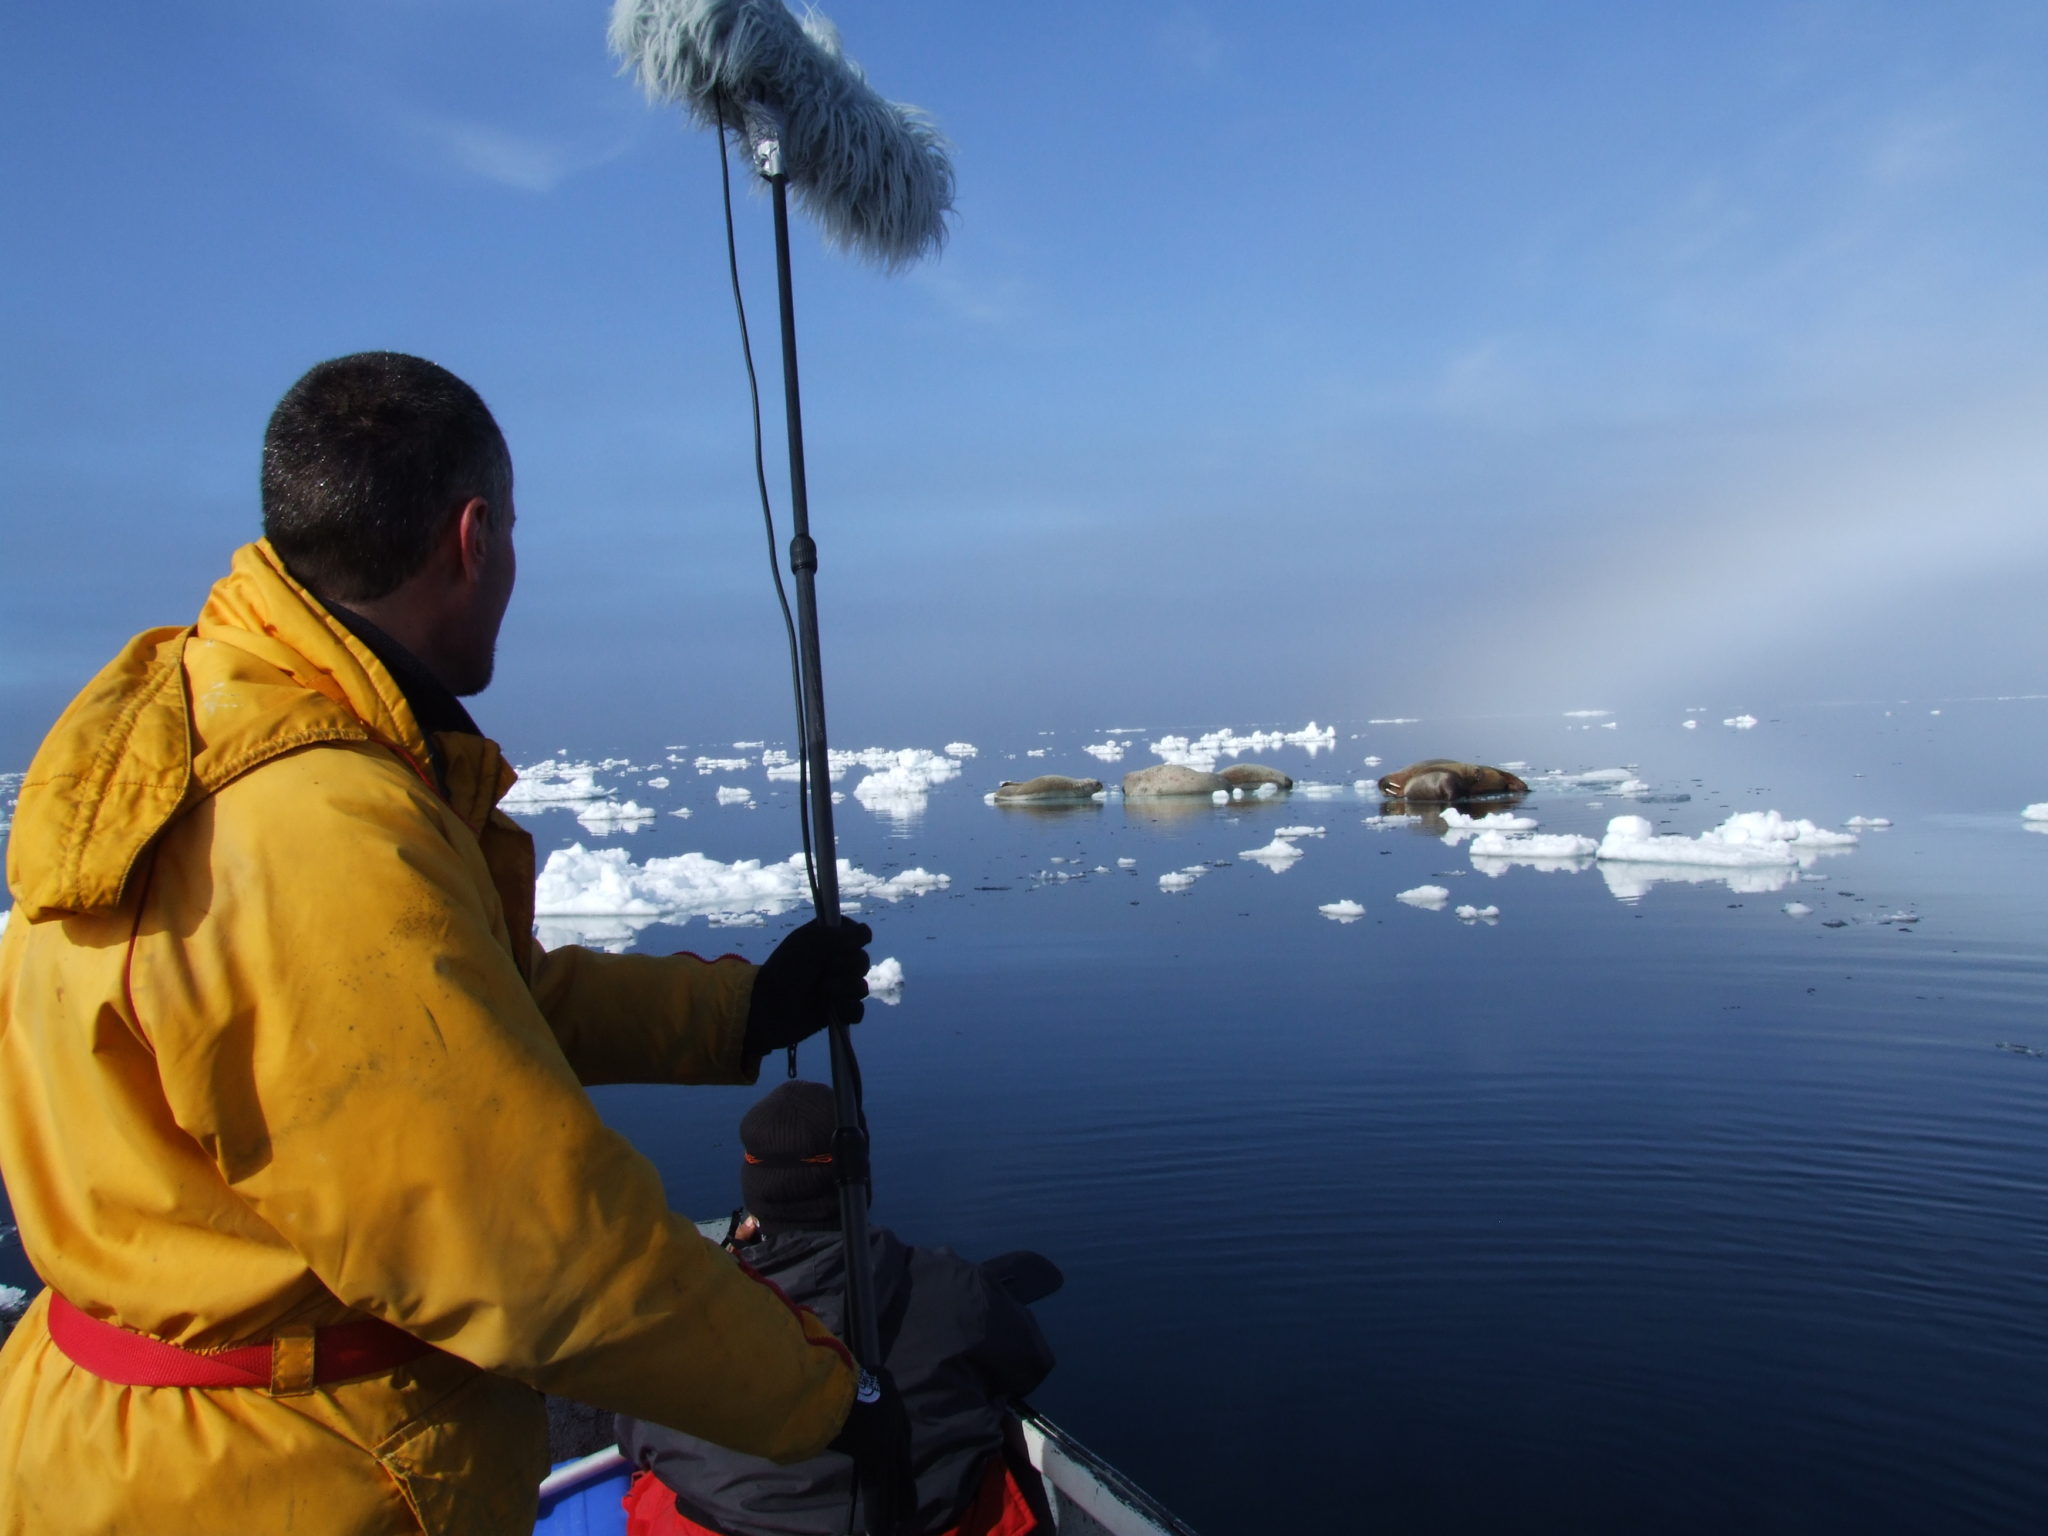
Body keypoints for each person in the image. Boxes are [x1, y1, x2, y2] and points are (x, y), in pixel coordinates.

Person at [0, 352, 878, 1536]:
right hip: (279, 1477)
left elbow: (443, 1016)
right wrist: (820, 1400)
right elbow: (522, 1236)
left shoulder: (200, 717)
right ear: (471, 537)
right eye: (511, 532)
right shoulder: (313, 826)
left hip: (116, 1445)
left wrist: (736, 1014)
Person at [618, 1080, 1060, 1536]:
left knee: (657, 1487)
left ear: (754, 1198)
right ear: (860, 1182)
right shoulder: (954, 1287)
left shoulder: (683, 1316)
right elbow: (1029, 1363)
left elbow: (634, 1434)